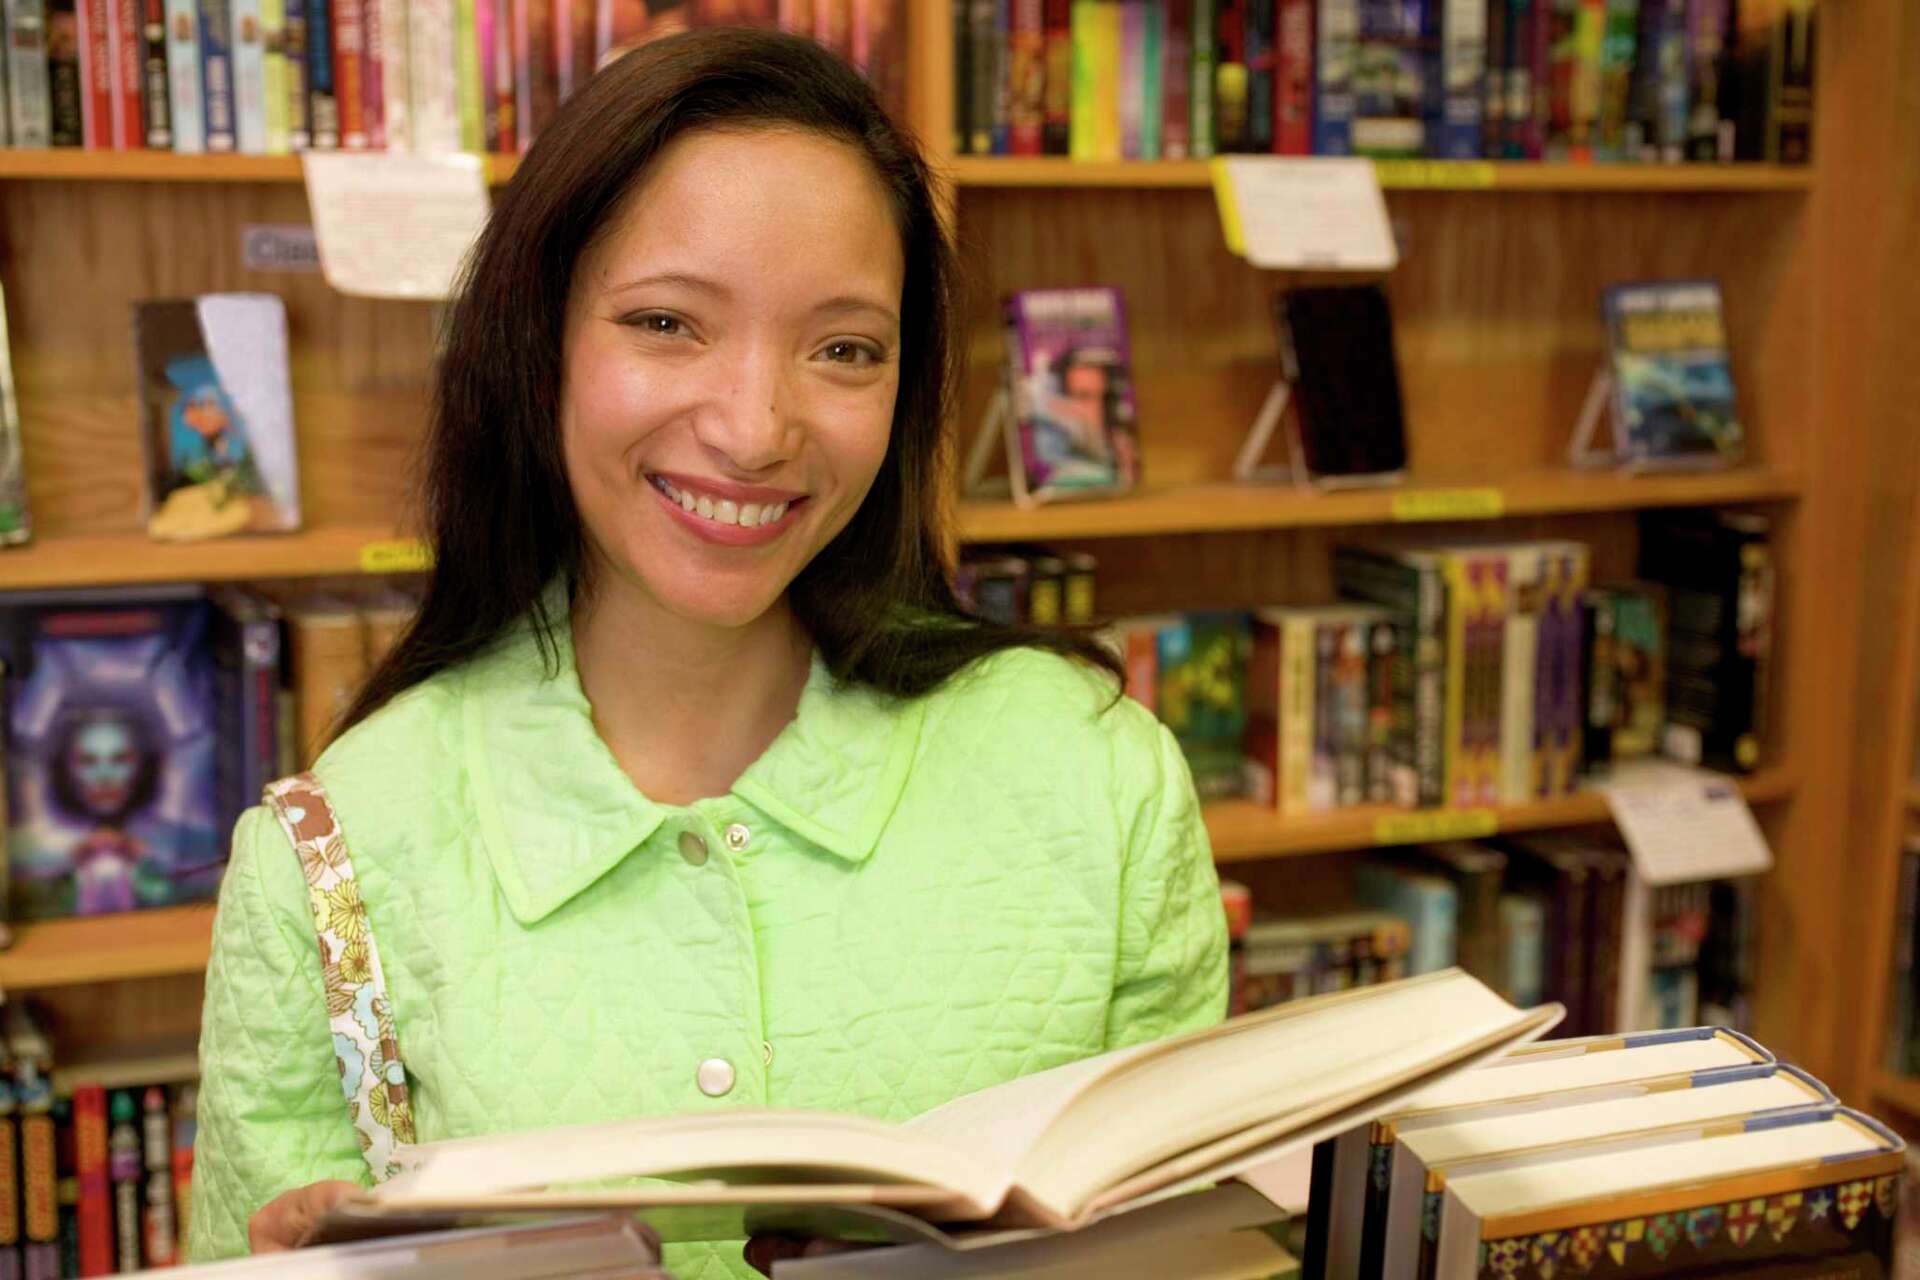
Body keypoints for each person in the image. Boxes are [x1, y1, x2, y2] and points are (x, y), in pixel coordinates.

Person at [186, 28, 1227, 1278]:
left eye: (845, 347)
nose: (755, 427)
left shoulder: (1098, 778)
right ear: (540, 344)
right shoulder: (329, 859)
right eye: (668, 322)